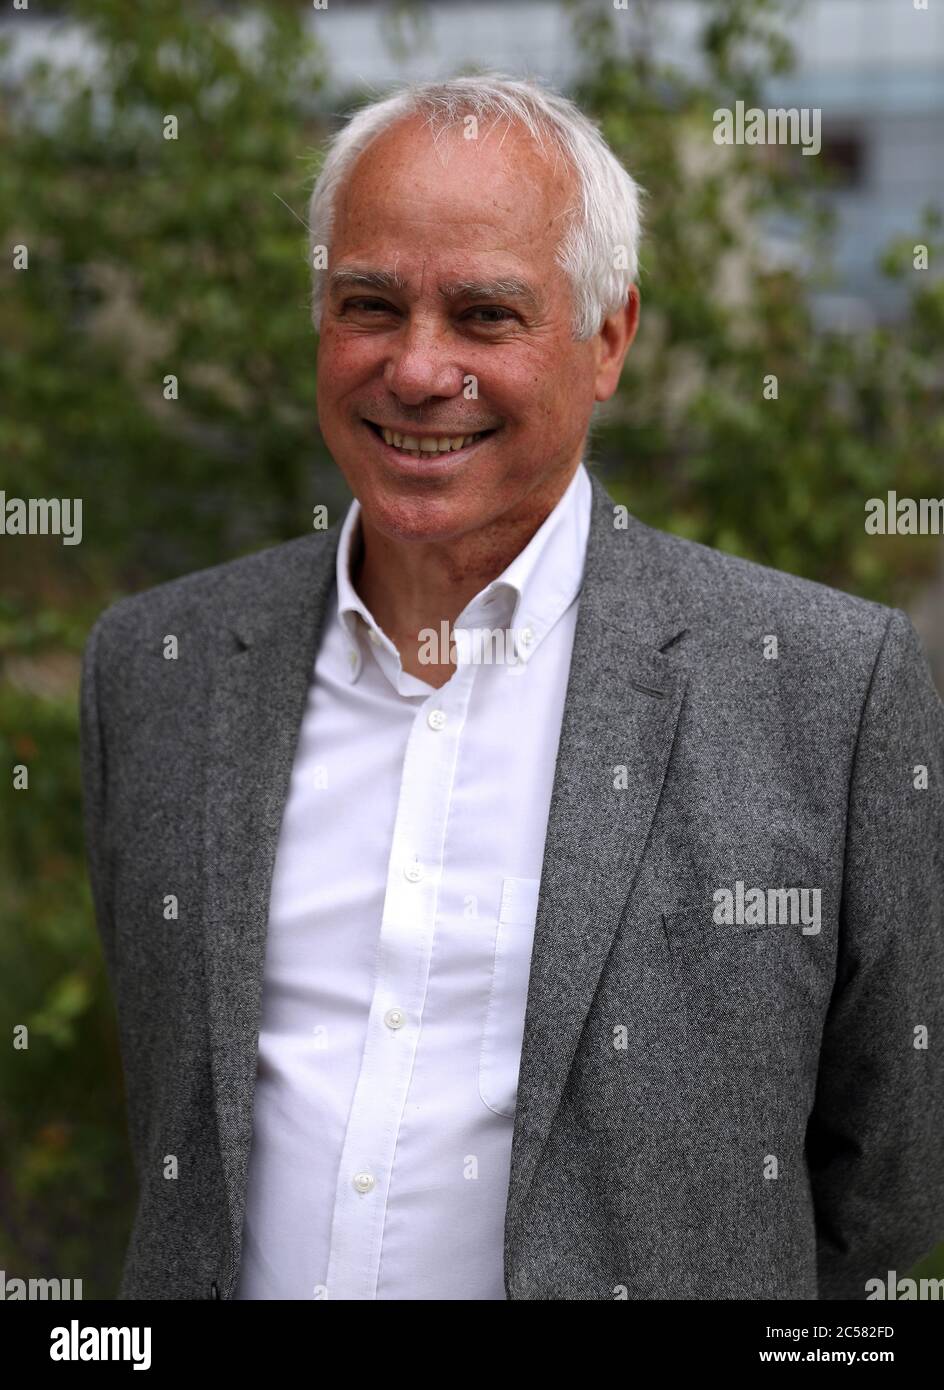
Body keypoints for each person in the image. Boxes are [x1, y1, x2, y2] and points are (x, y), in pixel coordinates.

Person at [80, 74, 944, 1301]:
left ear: (607, 338)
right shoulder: (155, 669)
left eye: (485, 315)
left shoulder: (823, 690)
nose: (419, 369)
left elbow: (887, 1186)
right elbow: (181, 1121)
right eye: (369, 304)